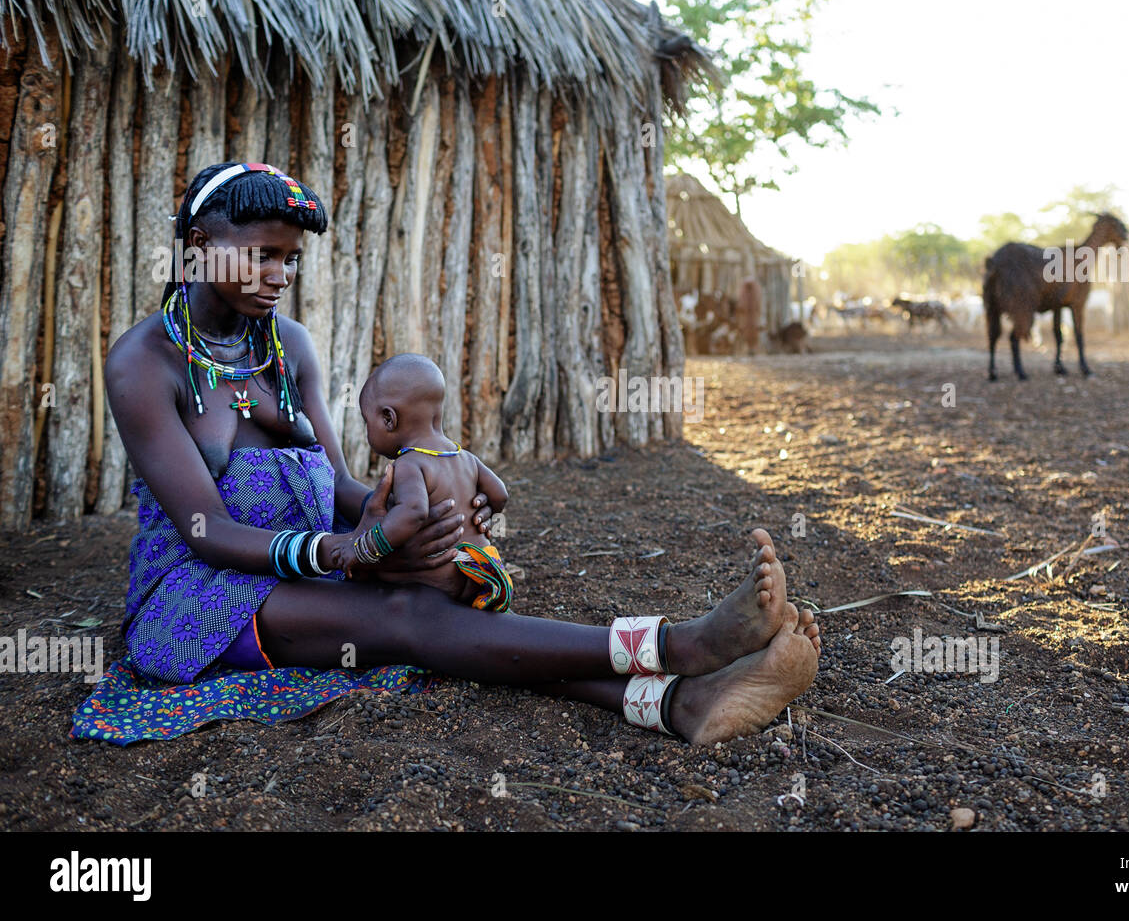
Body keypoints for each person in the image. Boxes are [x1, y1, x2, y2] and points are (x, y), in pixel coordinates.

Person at [78, 160, 821, 746]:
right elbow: (208, 530)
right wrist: (341, 553)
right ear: (201, 248)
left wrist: (418, 519)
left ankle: (679, 707)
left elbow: (334, 481)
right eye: (263, 256)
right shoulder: (144, 365)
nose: (280, 276)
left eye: (290, 260)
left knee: (443, 610)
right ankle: (681, 645)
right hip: (200, 595)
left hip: (308, 564)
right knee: (409, 622)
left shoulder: (288, 347)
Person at [332, 353, 513, 612]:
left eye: (366, 421)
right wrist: (482, 514)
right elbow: (499, 494)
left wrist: (363, 550)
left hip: (442, 577)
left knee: (372, 578)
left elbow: (414, 512)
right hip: (483, 569)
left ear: (388, 419)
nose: (367, 431)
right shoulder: (466, 457)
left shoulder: (410, 464)